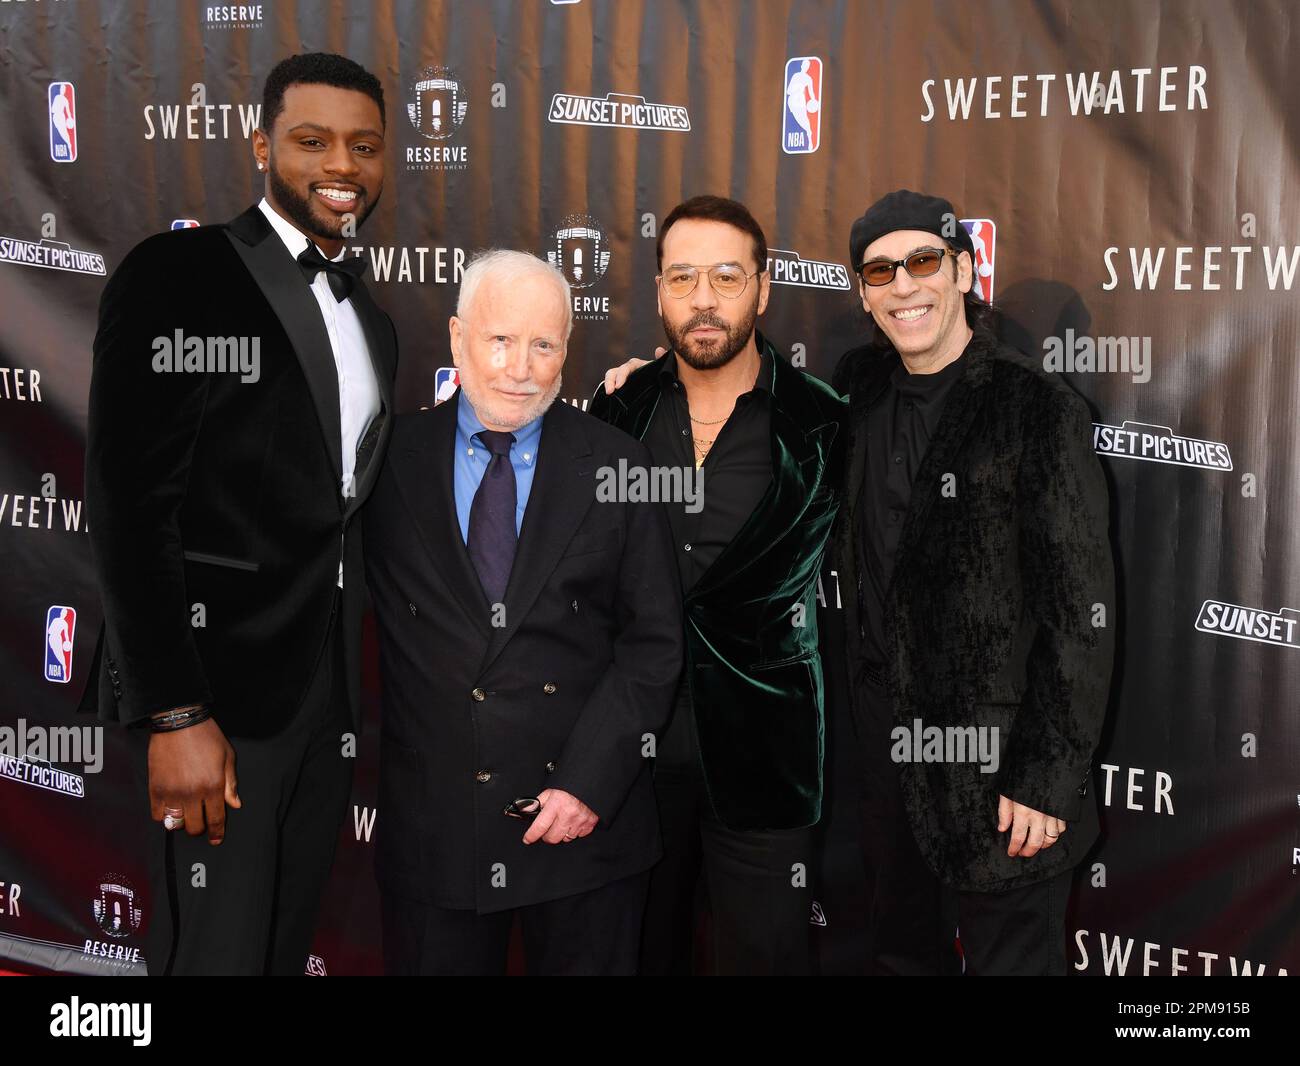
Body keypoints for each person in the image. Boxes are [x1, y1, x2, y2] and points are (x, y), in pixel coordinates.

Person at [78, 53, 397, 975]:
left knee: (280, 946)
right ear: (262, 147)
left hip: (324, 697)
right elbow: (131, 506)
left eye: (364, 146)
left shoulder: (371, 322)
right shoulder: (179, 275)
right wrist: (175, 710)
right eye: (312, 140)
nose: (342, 164)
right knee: (212, 956)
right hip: (216, 704)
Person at [363, 250, 682, 976]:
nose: (520, 367)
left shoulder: (621, 465)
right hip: (435, 833)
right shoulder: (389, 459)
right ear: (456, 338)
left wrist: (588, 783)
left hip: (585, 831)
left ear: (567, 350)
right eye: (499, 340)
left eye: (543, 345)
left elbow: (654, 645)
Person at [834, 189, 1114, 975]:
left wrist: (1047, 776)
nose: (904, 286)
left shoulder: (1036, 408)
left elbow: (1079, 613)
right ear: (863, 293)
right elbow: (752, 407)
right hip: (884, 763)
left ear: (962, 270)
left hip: (1001, 777)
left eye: (923, 262)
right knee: (898, 958)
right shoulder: (854, 393)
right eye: (880, 271)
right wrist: (653, 375)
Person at [593, 196, 847, 974]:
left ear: (763, 290)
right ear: (660, 292)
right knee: (633, 954)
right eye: (683, 277)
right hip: (627, 752)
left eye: (727, 277)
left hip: (765, 759)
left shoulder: (827, 422)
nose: (704, 299)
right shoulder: (617, 409)